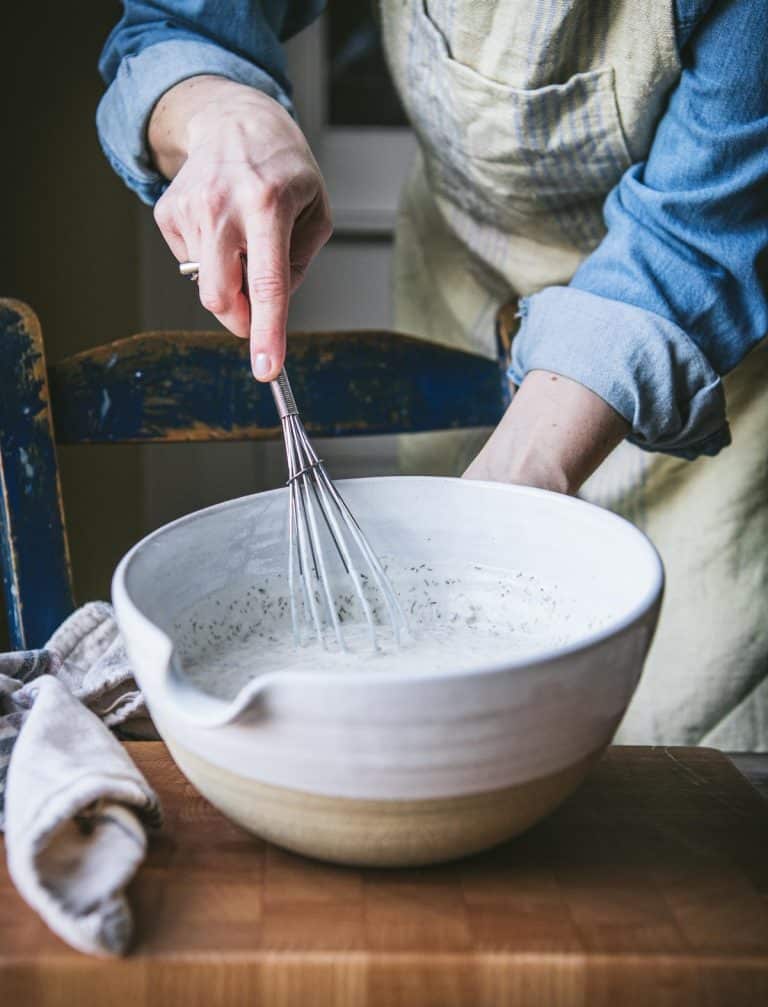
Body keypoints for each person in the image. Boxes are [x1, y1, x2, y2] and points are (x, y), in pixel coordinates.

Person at [97, 1, 768, 749]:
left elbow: (692, 240)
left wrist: (503, 495)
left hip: (709, 357)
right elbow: (175, 25)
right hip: (460, 283)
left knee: (686, 747)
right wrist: (218, 109)